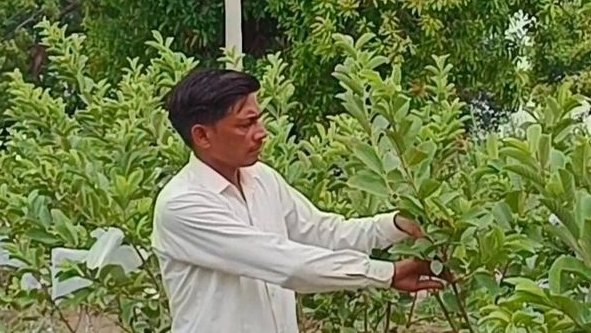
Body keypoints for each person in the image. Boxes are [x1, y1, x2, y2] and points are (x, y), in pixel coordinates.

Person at [151, 67, 447, 332]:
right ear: (202, 136)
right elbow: (288, 264)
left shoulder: (262, 178)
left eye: (259, 120)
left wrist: (395, 224)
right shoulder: (182, 205)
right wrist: (386, 273)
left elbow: (324, 233)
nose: (261, 133)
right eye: (246, 124)